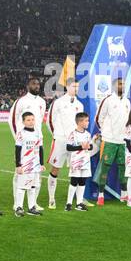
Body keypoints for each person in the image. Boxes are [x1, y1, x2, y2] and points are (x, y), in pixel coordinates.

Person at [47, 78, 86, 208]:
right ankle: (51, 198)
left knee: (76, 170)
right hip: (61, 140)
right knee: (56, 168)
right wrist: (57, 135)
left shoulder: (80, 105)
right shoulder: (58, 102)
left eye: (78, 87)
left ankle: (74, 200)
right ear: (67, 87)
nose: (76, 89)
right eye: (74, 86)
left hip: (75, 143)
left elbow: (80, 124)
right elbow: (50, 121)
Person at [94, 75, 131, 205]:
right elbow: (99, 118)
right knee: (105, 168)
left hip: (122, 141)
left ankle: (124, 194)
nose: (123, 86)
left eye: (124, 84)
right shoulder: (108, 100)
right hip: (109, 140)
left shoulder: (127, 101)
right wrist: (105, 133)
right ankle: (100, 194)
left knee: (123, 167)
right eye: (120, 84)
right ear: (115, 86)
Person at [13, 110, 45, 216]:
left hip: (35, 165)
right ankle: (19, 207)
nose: (31, 122)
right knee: (22, 186)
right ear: (23, 122)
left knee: (33, 186)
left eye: (32, 119)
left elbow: (40, 149)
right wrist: (18, 165)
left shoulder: (38, 132)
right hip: (25, 164)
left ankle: (31, 207)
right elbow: (17, 149)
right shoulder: (21, 133)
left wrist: (41, 163)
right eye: (28, 120)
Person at [64, 110, 95, 211]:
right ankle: (68, 203)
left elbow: (90, 147)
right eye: (86, 121)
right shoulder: (73, 134)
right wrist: (80, 147)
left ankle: (79, 203)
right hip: (76, 161)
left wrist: (87, 147)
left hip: (85, 161)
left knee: (82, 182)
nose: (87, 122)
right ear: (80, 122)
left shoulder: (87, 134)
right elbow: (68, 147)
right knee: (74, 181)